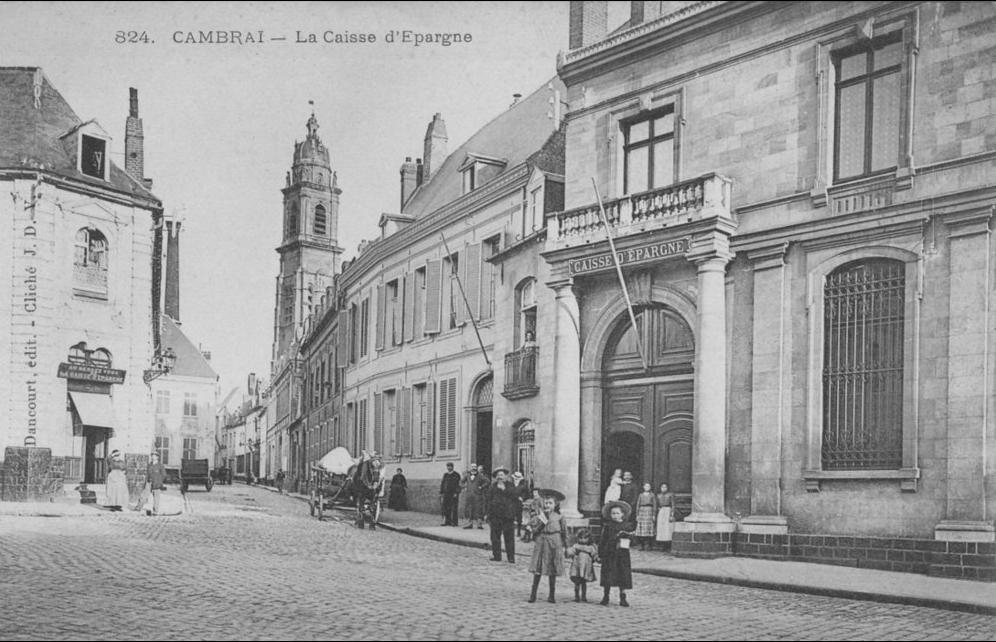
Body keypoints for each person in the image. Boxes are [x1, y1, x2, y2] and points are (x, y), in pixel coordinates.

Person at [527, 491, 567, 604]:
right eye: (546, 503)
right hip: (542, 542)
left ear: (556, 505)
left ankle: (552, 595)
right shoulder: (542, 515)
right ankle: (533, 594)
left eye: (550, 503)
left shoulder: (560, 516)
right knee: (538, 568)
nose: (547, 505)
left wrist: (566, 547)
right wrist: (533, 526)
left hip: (554, 542)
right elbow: (531, 525)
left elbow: (564, 532)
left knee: (552, 569)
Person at [599, 500, 635, 607]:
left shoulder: (627, 526)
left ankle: (622, 596)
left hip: (622, 554)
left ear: (622, 514)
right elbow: (603, 540)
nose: (615, 516)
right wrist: (600, 553)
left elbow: (632, 541)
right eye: (613, 513)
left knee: (622, 575)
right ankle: (606, 596)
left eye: (617, 513)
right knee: (608, 575)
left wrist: (630, 537)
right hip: (609, 554)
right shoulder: (607, 526)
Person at [486, 468, 518, 563]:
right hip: (495, 516)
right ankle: (497, 556)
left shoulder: (510, 486)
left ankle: (511, 557)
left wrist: (504, 489)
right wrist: (487, 514)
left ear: (506, 476)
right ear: (496, 477)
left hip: (508, 516)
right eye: (498, 475)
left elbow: (515, 497)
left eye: (502, 475)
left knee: (509, 538)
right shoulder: (492, 487)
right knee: (495, 537)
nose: (500, 477)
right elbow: (488, 500)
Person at [566, 528, 598, 602]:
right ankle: (576, 596)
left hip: (586, 567)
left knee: (583, 582)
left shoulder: (591, 548)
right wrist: (567, 552)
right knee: (577, 582)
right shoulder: (576, 546)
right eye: (581, 538)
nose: (583, 540)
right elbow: (570, 552)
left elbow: (594, 555)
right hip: (577, 566)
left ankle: (584, 596)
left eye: (585, 538)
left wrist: (597, 558)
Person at [461, 464, 488, 529]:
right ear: (470, 468)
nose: (473, 468)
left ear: (476, 468)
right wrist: (464, 487)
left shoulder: (480, 476)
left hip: (477, 495)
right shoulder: (467, 476)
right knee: (469, 509)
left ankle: (479, 524)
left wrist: (481, 487)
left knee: (478, 509)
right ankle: (469, 523)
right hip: (469, 495)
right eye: (472, 467)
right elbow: (461, 482)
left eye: (475, 467)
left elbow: (487, 481)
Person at [634, 482, 658, 550]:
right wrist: (637, 515)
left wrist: (654, 515)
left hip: (649, 511)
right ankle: (642, 545)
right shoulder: (641, 495)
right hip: (642, 511)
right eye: (646, 486)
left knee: (648, 528)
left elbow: (655, 505)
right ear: (643, 487)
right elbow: (638, 505)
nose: (647, 487)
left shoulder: (652, 495)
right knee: (641, 529)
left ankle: (649, 545)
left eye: (648, 486)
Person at [439, 462, 462, 526]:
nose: (449, 468)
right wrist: (441, 492)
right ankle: (447, 521)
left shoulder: (456, 475)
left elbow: (458, 485)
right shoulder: (445, 475)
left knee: (454, 508)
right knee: (446, 508)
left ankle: (454, 522)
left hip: (453, 494)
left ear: (452, 467)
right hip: (446, 494)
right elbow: (442, 483)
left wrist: (456, 492)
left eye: (450, 466)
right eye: (448, 466)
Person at [655, 482, 675, 551]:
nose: (664, 488)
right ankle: (662, 545)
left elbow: (673, 505)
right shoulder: (658, 495)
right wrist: (658, 509)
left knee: (668, 528)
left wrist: (672, 515)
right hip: (661, 511)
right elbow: (656, 504)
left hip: (668, 511)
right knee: (661, 528)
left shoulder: (670, 495)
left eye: (665, 487)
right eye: (662, 487)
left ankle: (668, 545)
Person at [511, 471, 531, 536]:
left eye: (517, 478)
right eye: (515, 478)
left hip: (518, 503)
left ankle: (518, 531)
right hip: (511, 502)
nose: (515, 479)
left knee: (519, 517)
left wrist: (522, 498)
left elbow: (527, 494)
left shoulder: (523, 486)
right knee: (510, 517)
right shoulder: (511, 484)